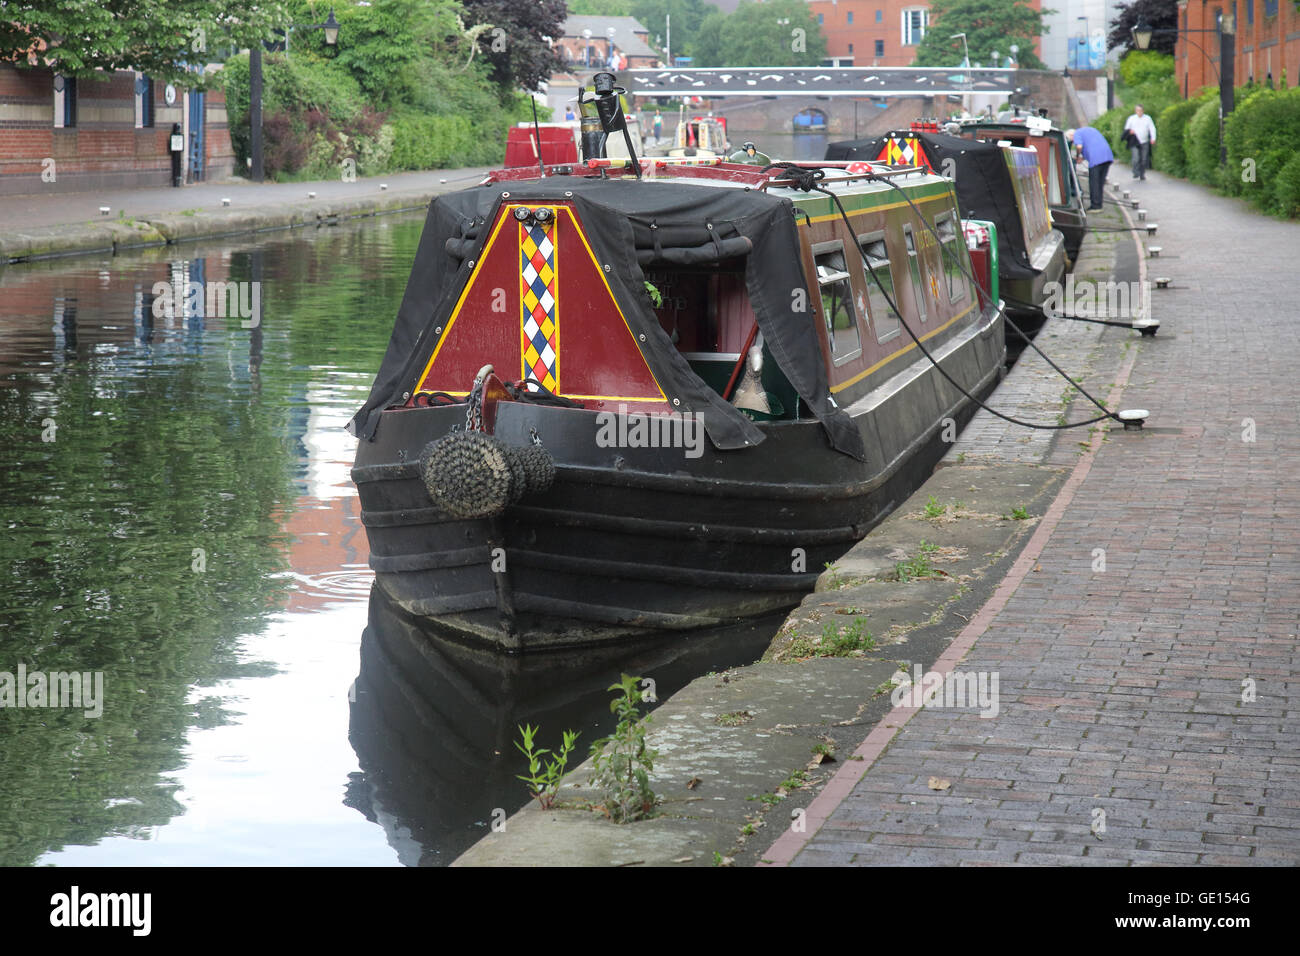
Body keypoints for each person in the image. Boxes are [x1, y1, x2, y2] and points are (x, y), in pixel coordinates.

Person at [1066, 126, 1114, 211]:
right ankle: (1099, 205)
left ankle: (1095, 206)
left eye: (1072, 141)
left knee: (1094, 183)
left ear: (1071, 135)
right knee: (1100, 183)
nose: (1073, 142)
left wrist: (1077, 156)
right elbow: (1092, 146)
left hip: (1096, 160)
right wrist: (1083, 158)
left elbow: (1079, 147)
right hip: (1107, 156)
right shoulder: (1090, 130)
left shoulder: (1077, 133)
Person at [1122, 104, 1157, 180]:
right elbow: (1126, 129)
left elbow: (1152, 128)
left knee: (1144, 158)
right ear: (1135, 111)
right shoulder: (1131, 119)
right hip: (1134, 141)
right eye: (1137, 110)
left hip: (1144, 141)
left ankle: (1142, 173)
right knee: (1136, 157)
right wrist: (1129, 132)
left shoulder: (1147, 118)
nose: (1139, 112)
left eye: (1140, 110)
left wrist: (1153, 138)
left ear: (1143, 111)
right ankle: (1135, 171)